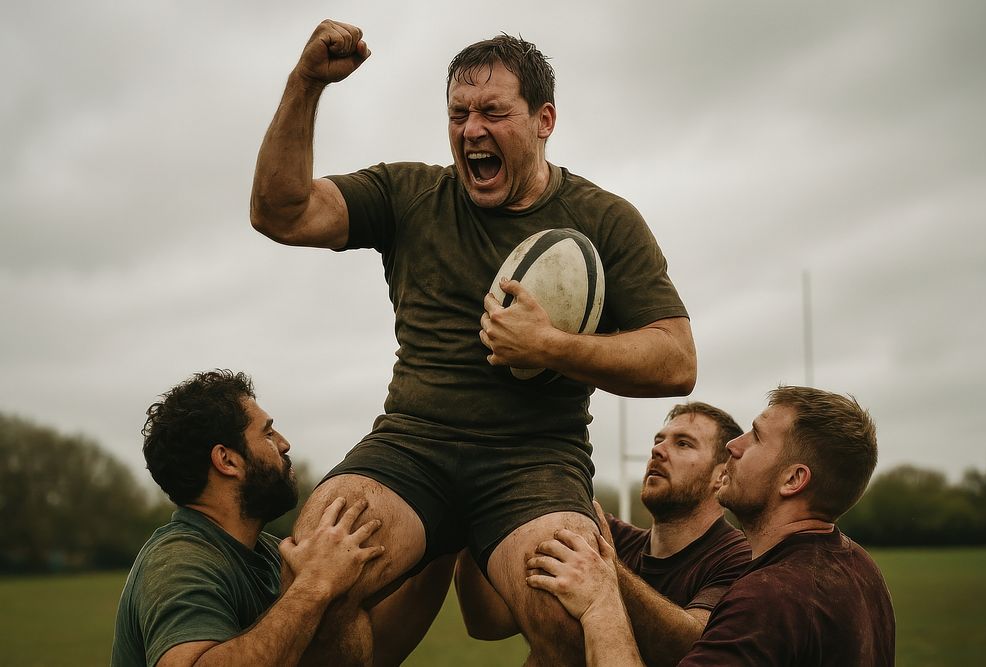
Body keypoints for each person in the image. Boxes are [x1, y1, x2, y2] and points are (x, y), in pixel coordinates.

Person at [249, 19, 697, 666]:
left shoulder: (605, 220)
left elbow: (676, 359)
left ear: (544, 120)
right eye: (458, 114)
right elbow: (280, 212)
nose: (471, 130)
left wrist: (551, 346)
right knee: (314, 571)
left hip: (534, 463)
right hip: (412, 447)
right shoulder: (408, 194)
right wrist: (306, 83)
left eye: (493, 112)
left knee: (570, 614)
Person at [527, 386, 896, 666]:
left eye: (756, 437)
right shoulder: (860, 567)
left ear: (793, 480)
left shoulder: (770, 599)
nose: (734, 446)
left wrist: (602, 602)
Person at [111, 370, 385, 667]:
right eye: (268, 433)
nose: (284, 443)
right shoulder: (177, 562)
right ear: (227, 460)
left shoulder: (271, 552)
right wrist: (315, 584)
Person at [454, 401, 750, 665]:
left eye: (683, 444)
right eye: (658, 440)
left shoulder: (740, 558)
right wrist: (478, 509)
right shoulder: (604, 535)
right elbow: (489, 623)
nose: (657, 450)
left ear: (721, 475)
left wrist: (609, 573)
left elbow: (692, 648)